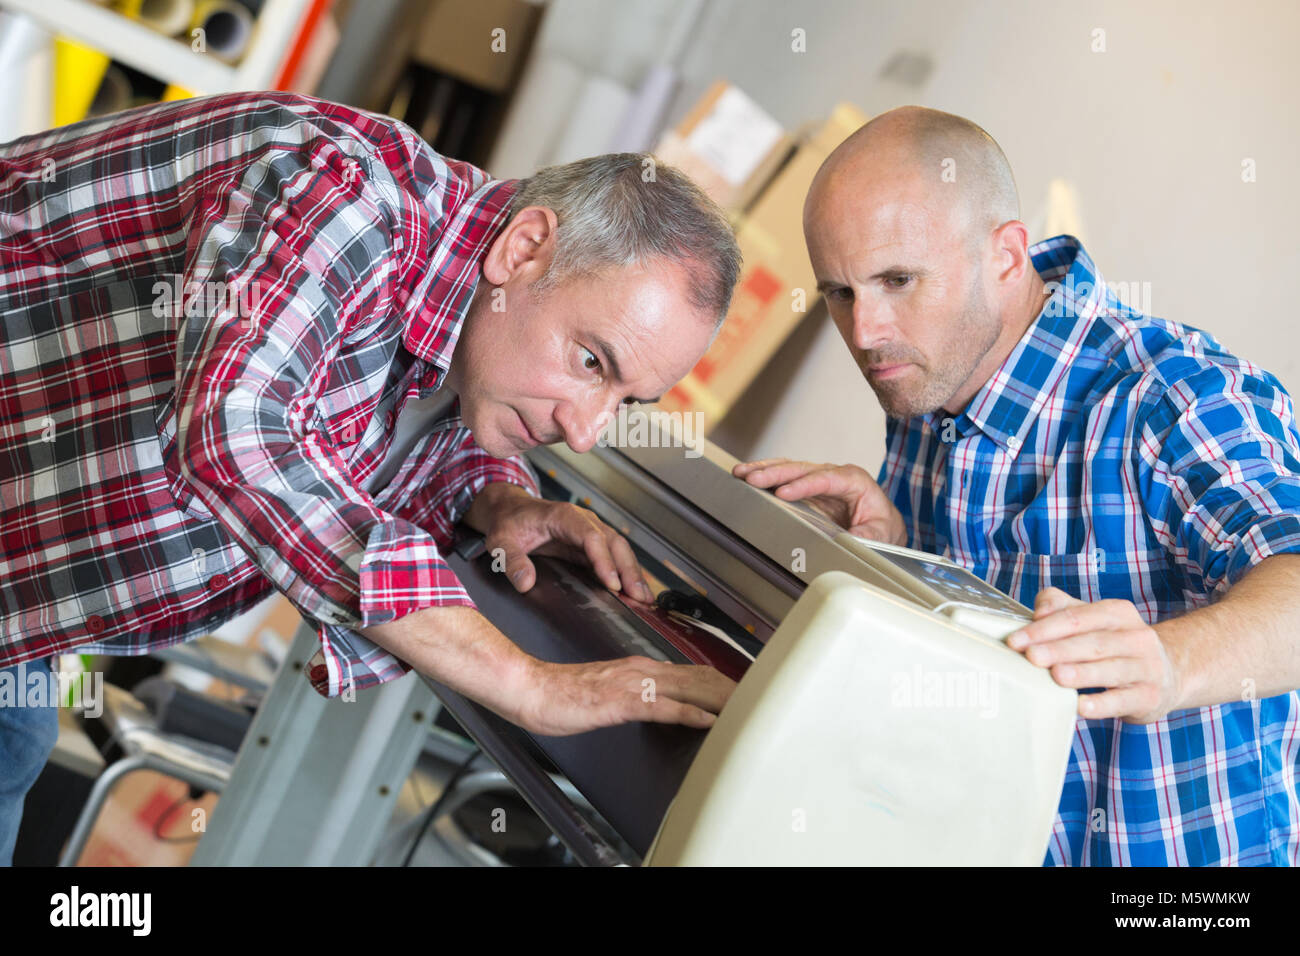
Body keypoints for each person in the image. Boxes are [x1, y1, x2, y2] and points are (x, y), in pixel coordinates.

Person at [0, 91, 740, 864]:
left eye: (625, 400)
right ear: (524, 249)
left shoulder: (474, 314)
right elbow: (237, 432)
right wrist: (530, 686)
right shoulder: (341, 192)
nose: (585, 432)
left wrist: (501, 498)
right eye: (592, 362)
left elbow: (395, 413)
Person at [736, 105, 1300, 865]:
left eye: (898, 279)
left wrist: (1173, 663)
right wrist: (901, 553)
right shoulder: (928, 382)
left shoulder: (1172, 397)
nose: (866, 332)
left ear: (1005, 255)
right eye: (840, 292)